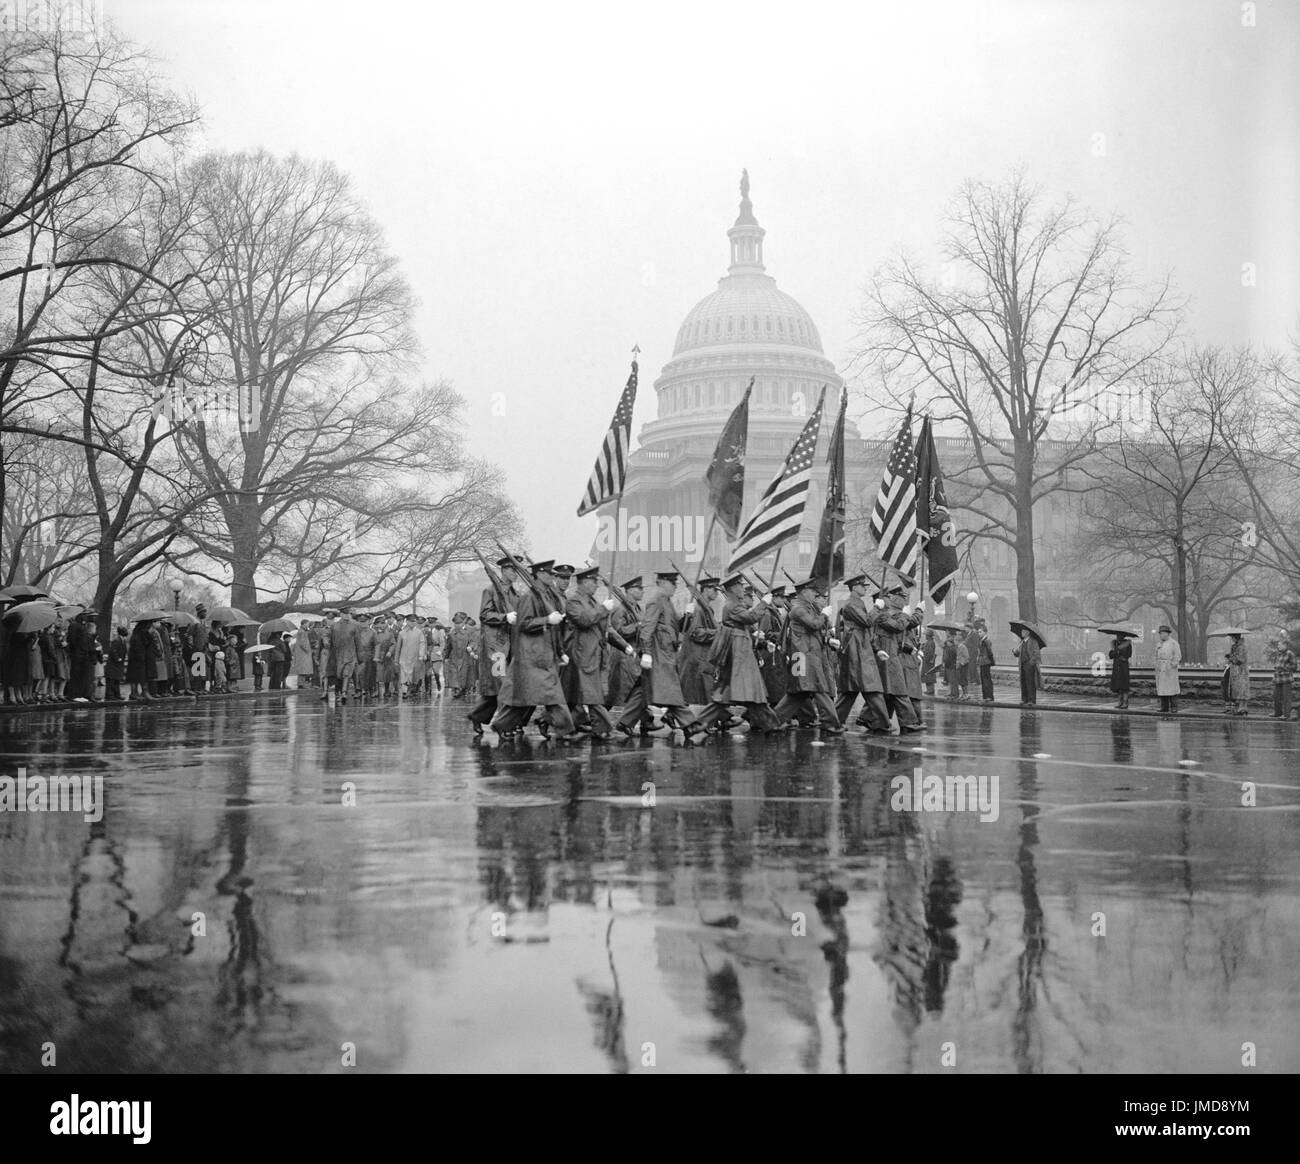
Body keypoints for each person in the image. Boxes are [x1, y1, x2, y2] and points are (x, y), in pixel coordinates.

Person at [489, 559, 581, 741]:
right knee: (546, 694)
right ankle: (566, 730)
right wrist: (546, 620)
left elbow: (553, 630)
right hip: (530, 655)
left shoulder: (546, 596)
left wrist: (560, 651)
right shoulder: (529, 597)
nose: (552, 577)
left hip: (544, 654)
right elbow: (523, 624)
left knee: (530, 697)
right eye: (549, 573)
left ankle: (502, 724)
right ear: (538, 574)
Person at [614, 570, 701, 740]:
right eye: (673, 583)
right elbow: (647, 629)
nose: (675, 587)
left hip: (666, 653)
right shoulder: (656, 599)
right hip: (658, 654)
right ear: (663, 583)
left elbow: (675, 626)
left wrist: (687, 616)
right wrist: (646, 653)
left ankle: (625, 722)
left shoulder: (666, 601)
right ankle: (689, 724)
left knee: (644, 690)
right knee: (668, 690)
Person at [696, 573, 783, 734]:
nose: (743, 589)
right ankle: (772, 725)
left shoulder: (734, 604)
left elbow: (747, 625)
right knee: (750, 690)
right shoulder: (732, 605)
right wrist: (764, 602)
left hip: (740, 651)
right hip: (739, 653)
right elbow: (751, 617)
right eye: (740, 586)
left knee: (739, 693)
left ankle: (772, 724)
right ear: (733, 588)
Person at [772, 577, 844, 733]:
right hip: (804, 656)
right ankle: (831, 723)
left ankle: (773, 721)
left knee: (799, 693)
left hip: (808, 654)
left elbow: (814, 633)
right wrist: (824, 615)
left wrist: (828, 640)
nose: (814, 594)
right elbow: (814, 625)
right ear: (804, 592)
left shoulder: (808, 608)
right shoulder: (798, 609)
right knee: (818, 688)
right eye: (812, 591)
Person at [562, 565, 617, 738]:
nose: (596, 586)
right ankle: (604, 729)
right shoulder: (574, 601)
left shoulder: (592, 601)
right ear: (584, 582)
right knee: (592, 695)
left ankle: (554, 720)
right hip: (582, 653)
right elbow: (585, 620)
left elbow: (601, 626)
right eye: (594, 582)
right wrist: (604, 609)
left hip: (594, 653)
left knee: (579, 694)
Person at [834, 574, 891, 733]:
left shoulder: (857, 603)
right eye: (862, 586)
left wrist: (877, 649)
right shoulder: (851, 605)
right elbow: (867, 622)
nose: (865, 588)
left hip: (861, 650)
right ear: (854, 588)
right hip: (856, 652)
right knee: (871, 689)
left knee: (851, 692)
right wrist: (877, 608)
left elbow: (866, 630)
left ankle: (834, 721)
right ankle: (882, 723)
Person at [874, 583, 922, 731]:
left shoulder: (891, 615)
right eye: (902, 597)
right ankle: (908, 722)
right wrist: (918, 611)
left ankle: (874, 720)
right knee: (897, 690)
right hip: (887, 654)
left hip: (892, 652)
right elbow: (899, 627)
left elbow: (898, 638)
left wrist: (912, 649)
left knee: (889, 691)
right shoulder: (885, 615)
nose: (905, 600)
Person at [677, 577, 720, 709]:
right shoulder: (698, 609)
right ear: (706, 590)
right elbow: (696, 632)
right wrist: (717, 633)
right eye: (714, 589)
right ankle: (715, 721)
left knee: (698, 692)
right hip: (696, 657)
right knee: (703, 692)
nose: (717, 593)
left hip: (702, 656)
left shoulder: (706, 609)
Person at [397, 614, 426, 698]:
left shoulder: (419, 632)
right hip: (403, 658)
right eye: (411, 621)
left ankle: (410, 690)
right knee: (404, 675)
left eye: (414, 621)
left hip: (415, 657)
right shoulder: (401, 633)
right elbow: (398, 647)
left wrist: (421, 655)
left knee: (412, 675)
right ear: (407, 621)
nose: (413, 623)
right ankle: (405, 691)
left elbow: (422, 643)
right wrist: (396, 659)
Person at [1011, 625, 1042, 706]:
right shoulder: (1021, 642)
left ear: (1028, 633)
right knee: (1023, 682)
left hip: (1030, 665)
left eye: (1023, 631)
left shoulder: (1033, 641)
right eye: (1021, 631)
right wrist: (1014, 652)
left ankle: (1031, 700)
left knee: (1030, 682)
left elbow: (1037, 654)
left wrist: (1030, 663)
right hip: (1022, 665)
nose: (1022, 633)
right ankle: (1024, 699)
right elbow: (1018, 654)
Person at [1154, 624, 1181, 713]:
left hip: (1170, 668)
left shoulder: (1173, 643)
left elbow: (1177, 655)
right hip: (1161, 668)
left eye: (1163, 633)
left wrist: (1173, 664)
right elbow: (1156, 655)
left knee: (1172, 688)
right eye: (1160, 633)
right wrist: (1157, 664)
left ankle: (1174, 706)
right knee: (1162, 689)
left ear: (1167, 634)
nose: (1161, 635)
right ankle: (1164, 707)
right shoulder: (1159, 644)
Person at [1268, 635, 1296, 720]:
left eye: (1280, 645)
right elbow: (1277, 664)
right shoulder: (1278, 653)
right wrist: (1276, 667)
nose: (1278, 646)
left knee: (1286, 698)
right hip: (1277, 678)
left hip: (1286, 679)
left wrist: (1284, 668)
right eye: (1278, 645)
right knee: (1276, 696)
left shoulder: (1290, 654)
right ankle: (1277, 713)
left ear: (1285, 645)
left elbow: (1294, 667)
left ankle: (1286, 715)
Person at [1224, 632, 1250, 717]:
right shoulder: (1235, 646)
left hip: (1241, 671)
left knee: (1242, 690)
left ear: (1235, 637)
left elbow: (1240, 660)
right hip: (1236, 671)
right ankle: (1240, 708)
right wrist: (1230, 656)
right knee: (1239, 690)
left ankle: (1243, 708)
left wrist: (1231, 657)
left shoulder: (1242, 647)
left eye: (1232, 637)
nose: (1232, 639)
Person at [1108, 631, 1133, 709]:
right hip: (1116, 667)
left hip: (1124, 667)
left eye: (1120, 635)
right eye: (1117, 635)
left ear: (1123, 636)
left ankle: (1125, 703)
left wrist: (1121, 654)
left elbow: (1129, 654)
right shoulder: (1114, 644)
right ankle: (1119, 702)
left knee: (1124, 685)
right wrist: (1117, 651)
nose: (1118, 636)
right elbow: (1111, 655)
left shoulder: (1127, 645)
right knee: (1118, 685)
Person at [975, 619, 996, 702]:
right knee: (983, 679)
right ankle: (985, 696)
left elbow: (989, 652)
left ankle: (989, 696)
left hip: (986, 661)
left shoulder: (986, 641)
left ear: (985, 632)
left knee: (987, 679)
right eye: (978, 632)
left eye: (980, 632)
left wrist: (991, 661)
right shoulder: (982, 641)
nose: (979, 633)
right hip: (982, 661)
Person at [106, 625, 128, 701]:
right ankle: (110, 695)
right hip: (114, 664)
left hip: (118, 664)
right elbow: (113, 650)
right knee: (112, 680)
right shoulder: (116, 640)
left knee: (116, 680)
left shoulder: (122, 640)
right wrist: (117, 658)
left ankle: (116, 694)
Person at [292, 624, 315, 688]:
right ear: (303, 624)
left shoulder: (300, 631)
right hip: (304, 654)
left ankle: (300, 684)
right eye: (307, 624)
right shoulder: (302, 632)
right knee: (304, 670)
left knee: (302, 670)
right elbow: (303, 643)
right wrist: (308, 650)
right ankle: (302, 684)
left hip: (301, 654)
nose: (307, 626)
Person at [921, 629, 938, 695]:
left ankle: (930, 690)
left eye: (926, 635)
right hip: (928, 661)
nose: (925, 636)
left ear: (929, 636)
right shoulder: (929, 642)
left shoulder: (930, 642)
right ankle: (930, 690)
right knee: (928, 676)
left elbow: (930, 653)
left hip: (928, 662)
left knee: (929, 676)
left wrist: (926, 658)